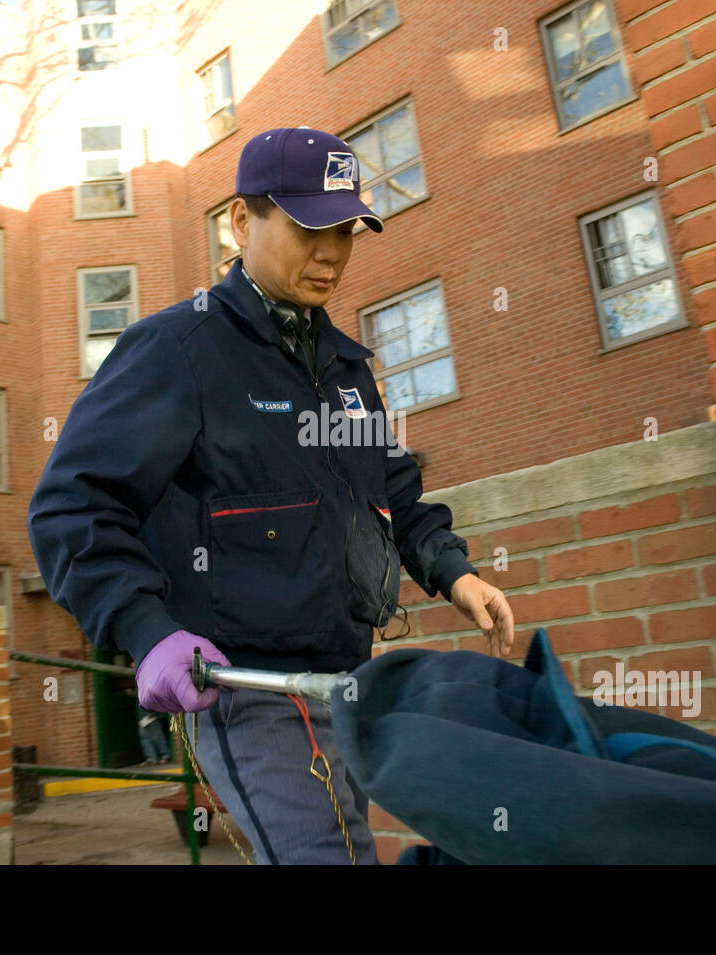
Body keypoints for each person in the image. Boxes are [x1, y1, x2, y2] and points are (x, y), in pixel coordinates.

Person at [27, 126, 515, 864]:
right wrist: (146, 629)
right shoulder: (179, 351)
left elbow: (393, 492)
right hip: (244, 685)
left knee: (355, 849)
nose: (332, 252)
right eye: (309, 227)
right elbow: (72, 506)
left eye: (345, 230)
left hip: (343, 679)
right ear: (240, 220)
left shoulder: (346, 370)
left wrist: (454, 572)